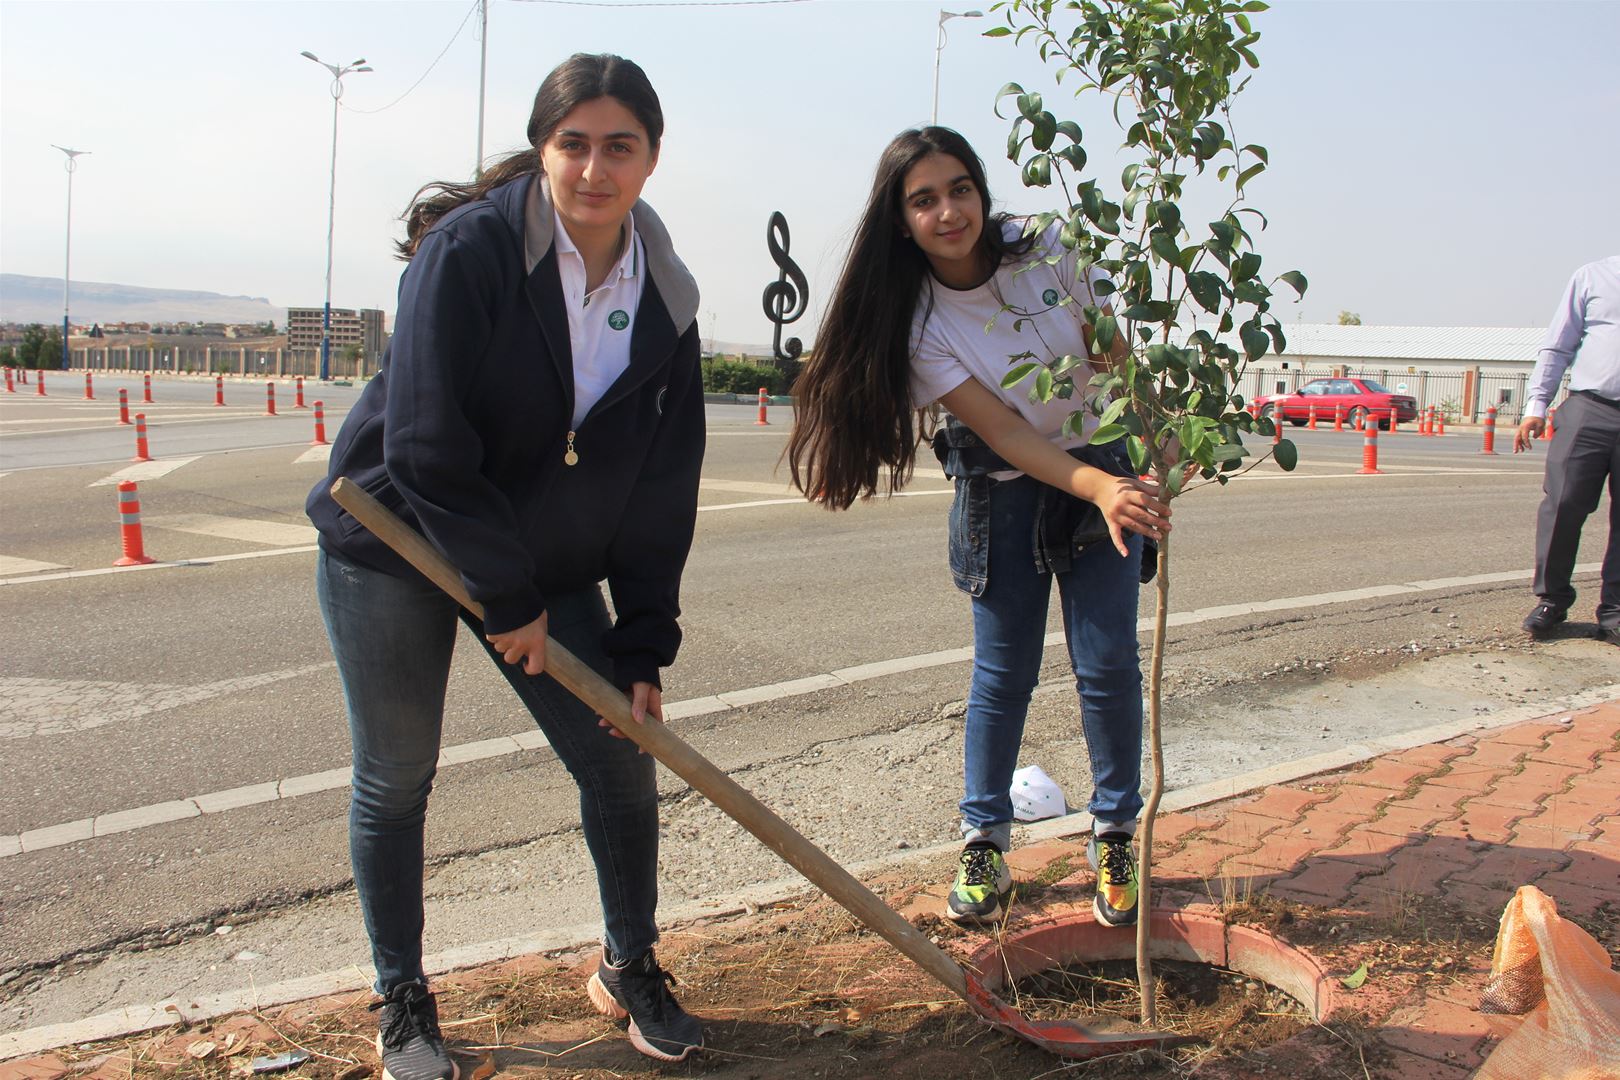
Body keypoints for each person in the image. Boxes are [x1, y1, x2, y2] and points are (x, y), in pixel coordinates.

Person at [305, 53, 707, 1075]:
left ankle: (630, 966)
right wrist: (509, 598)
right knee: (396, 776)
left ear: (652, 158)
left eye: (620, 145)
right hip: (395, 539)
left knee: (619, 755)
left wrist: (644, 637)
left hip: (532, 558)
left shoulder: (667, 296)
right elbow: (426, 444)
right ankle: (402, 999)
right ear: (544, 149)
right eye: (573, 143)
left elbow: (663, 487)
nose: (593, 168)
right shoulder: (471, 253)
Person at [786, 127, 1170, 929]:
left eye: (960, 188)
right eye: (923, 199)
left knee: (1108, 665)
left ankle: (1114, 834)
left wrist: (1160, 447)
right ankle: (985, 841)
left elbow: (1114, 358)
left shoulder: (1049, 248)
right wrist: (1101, 487)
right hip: (1006, 492)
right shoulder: (921, 322)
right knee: (1004, 675)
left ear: (983, 192)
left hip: (1103, 464)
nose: (948, 211)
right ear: (901, 221)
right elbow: (1007, 434)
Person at [1514, 256, 1620, 644]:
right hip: (1589, 409)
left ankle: (1615, 611)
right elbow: (1558, 345)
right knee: (1562, 504)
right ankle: (1552, 600)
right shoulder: (1594, 277)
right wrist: (1536, 406)